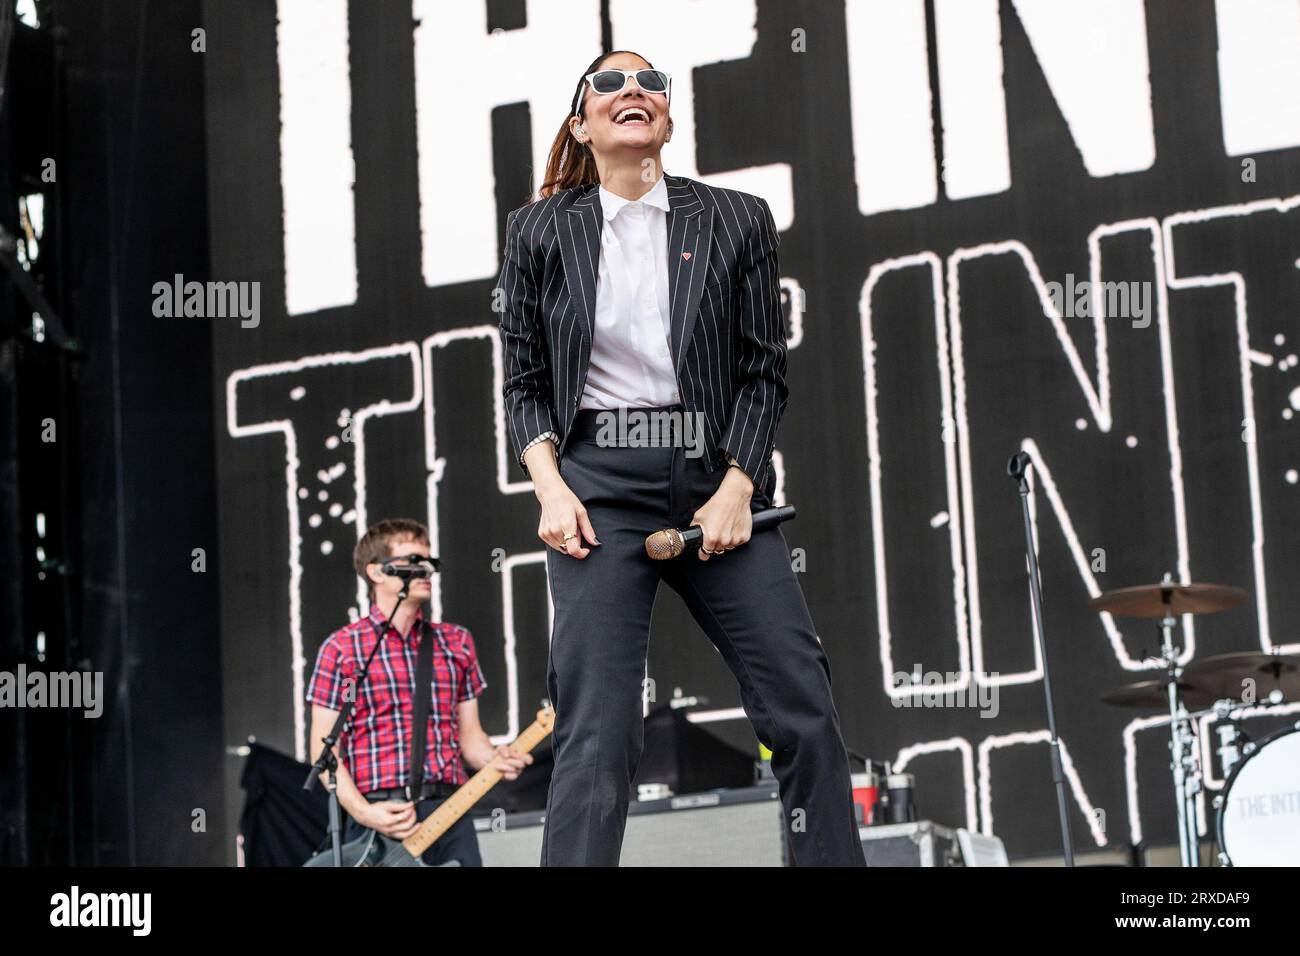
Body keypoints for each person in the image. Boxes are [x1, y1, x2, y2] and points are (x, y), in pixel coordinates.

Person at [496, 50, 865, 866]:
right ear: (582, 125)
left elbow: (763, 372)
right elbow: (522, 379)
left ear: (666, 116)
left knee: (801, 708)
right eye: (610, 84)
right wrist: (551, 488)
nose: (634, 90)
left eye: (650, 82)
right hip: (599, 484)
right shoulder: (538, 231)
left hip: (714, 475)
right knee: (595, 729)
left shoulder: (736, 218)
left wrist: (738, 486)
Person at [305, 518, 531, 866]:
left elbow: (471, 741)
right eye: (413, 561)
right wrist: (365, 812)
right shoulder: (343, 649)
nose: (426, 570)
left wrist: (498, 760)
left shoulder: (455, 642)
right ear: (376, 572)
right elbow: (325, 750)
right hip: (379, 821)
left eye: (429, 562)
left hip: (449, 812)